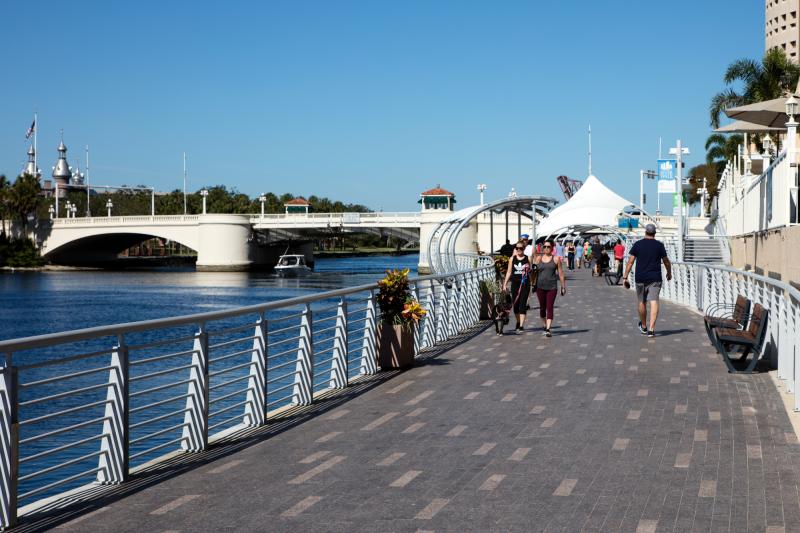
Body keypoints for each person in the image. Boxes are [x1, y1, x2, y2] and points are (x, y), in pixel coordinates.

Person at [622, 223, 672, 337]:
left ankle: (644, 326)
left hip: (640, 278)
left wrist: (625, 277)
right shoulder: (659, 245)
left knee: (642, 302)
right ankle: (651, 329)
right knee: (654, 301)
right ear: (655, 233)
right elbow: (666, 261)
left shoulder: (638, 244)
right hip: (655, 278)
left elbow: (630, 261)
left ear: (645, 232)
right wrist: (669, 272)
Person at [533, 240, 566, 337]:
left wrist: (563, 287)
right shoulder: (539, 258)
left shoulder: (556, 259)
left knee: (549, 307)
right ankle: (544, 325)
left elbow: (560, 273)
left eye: (548, 247)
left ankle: (548, 329)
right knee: (542, 308)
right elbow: (534, 273)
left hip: (552, 287)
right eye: (545, 246)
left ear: (552, 248)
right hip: (540, 286)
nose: (546, 248)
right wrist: (532, 284)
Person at [502, 240, 532, 332]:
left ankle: (521, 326)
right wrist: (505, 284)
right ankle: (518, 322)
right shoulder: (512, 259)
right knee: (516, 305)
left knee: (522, 304)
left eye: (521, 248)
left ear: (524, 248)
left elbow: (531, 272)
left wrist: (529, 271)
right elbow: (509, 272)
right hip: (515, 283)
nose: (519, 250)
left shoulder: (528, 258)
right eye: (517, 248)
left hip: (525, 283)